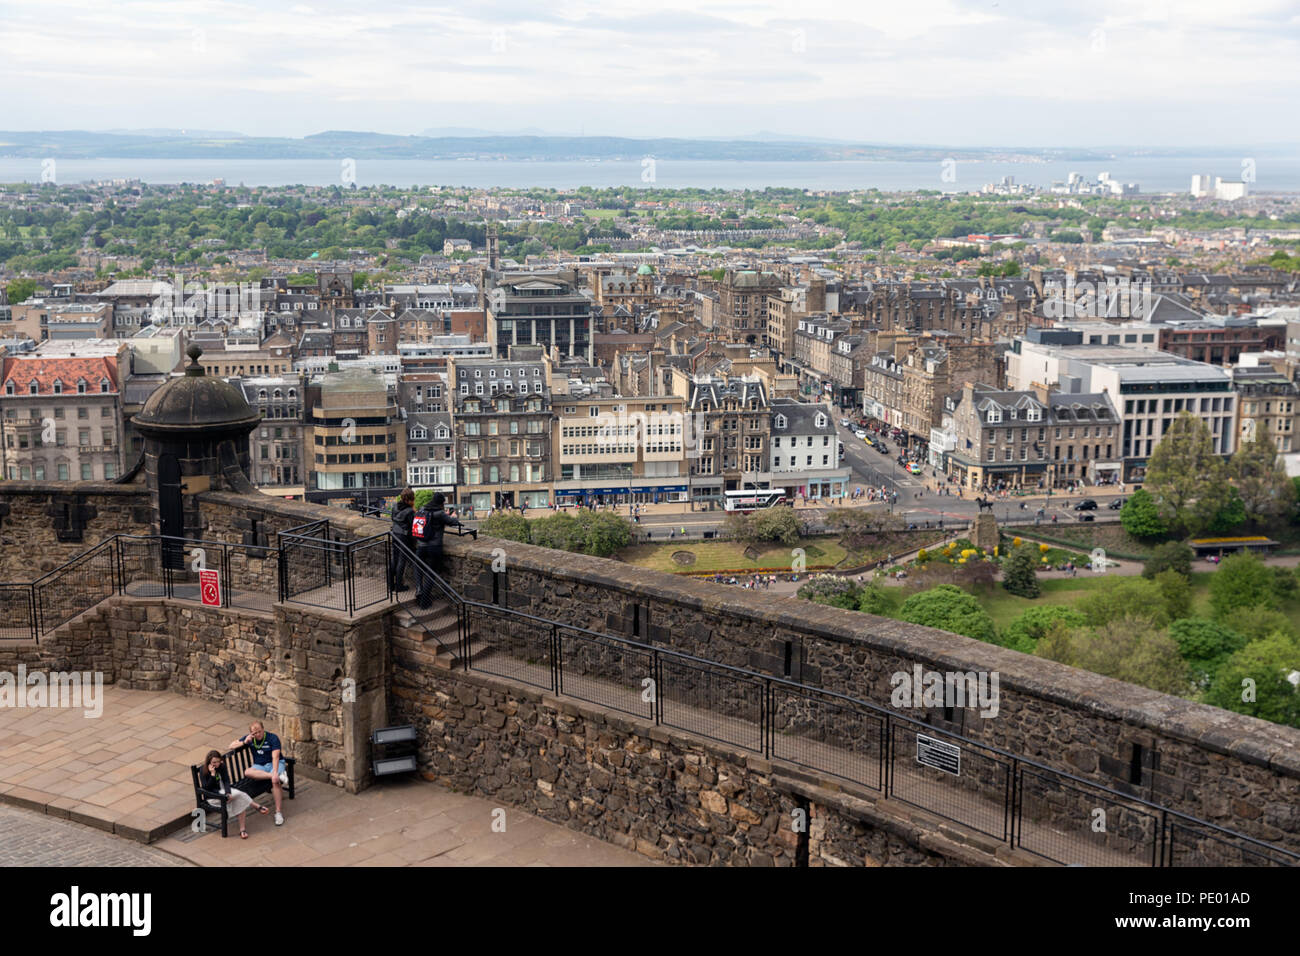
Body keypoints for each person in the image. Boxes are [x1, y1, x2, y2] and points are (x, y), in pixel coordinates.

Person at [230, 720, 286, 826]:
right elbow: (231, 745)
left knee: (274, 781)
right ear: (251, 733)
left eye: (259, 732)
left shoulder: (272, 738)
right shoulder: (250, 738)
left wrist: (274, 771)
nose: (258, 735)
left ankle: (278, 812)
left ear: (263, 729)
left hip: (275, 763)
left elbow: (276, 756)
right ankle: (279, 776)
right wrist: (244, 742)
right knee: (247, 772)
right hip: (260, 766)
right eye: (254, 733)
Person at [199, 748, 265, 839]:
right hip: (213, 796)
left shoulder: (222, 766)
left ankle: (242, 830)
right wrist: (213, 775)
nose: (217, 764)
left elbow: (226, 781)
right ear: (209, 762)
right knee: (240, 795)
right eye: (214, 762)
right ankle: (256, 806)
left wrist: (228, 792)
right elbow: (206, 788)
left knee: (239, 800)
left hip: (223, 792)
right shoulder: (203, 770)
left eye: (218, 761)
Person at [414, 492, 462, 610]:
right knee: (431, 573)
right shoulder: (440, 513)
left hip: (421, 545)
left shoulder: (423, 509)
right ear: (441, 503)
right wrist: (454, 517)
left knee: (418, 567)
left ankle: (419, 589)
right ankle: (424, 601)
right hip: (434, 547)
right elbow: (452, 522)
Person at [388, 488, 416, 592]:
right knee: (401, 560)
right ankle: (399, 585)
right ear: (411, 499)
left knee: (394, 558)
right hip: (404, 537)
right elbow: (413, 525)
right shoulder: (410, 511)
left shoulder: (395, 506)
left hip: (395, 534)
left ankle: (391, 584)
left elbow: (392, 518)